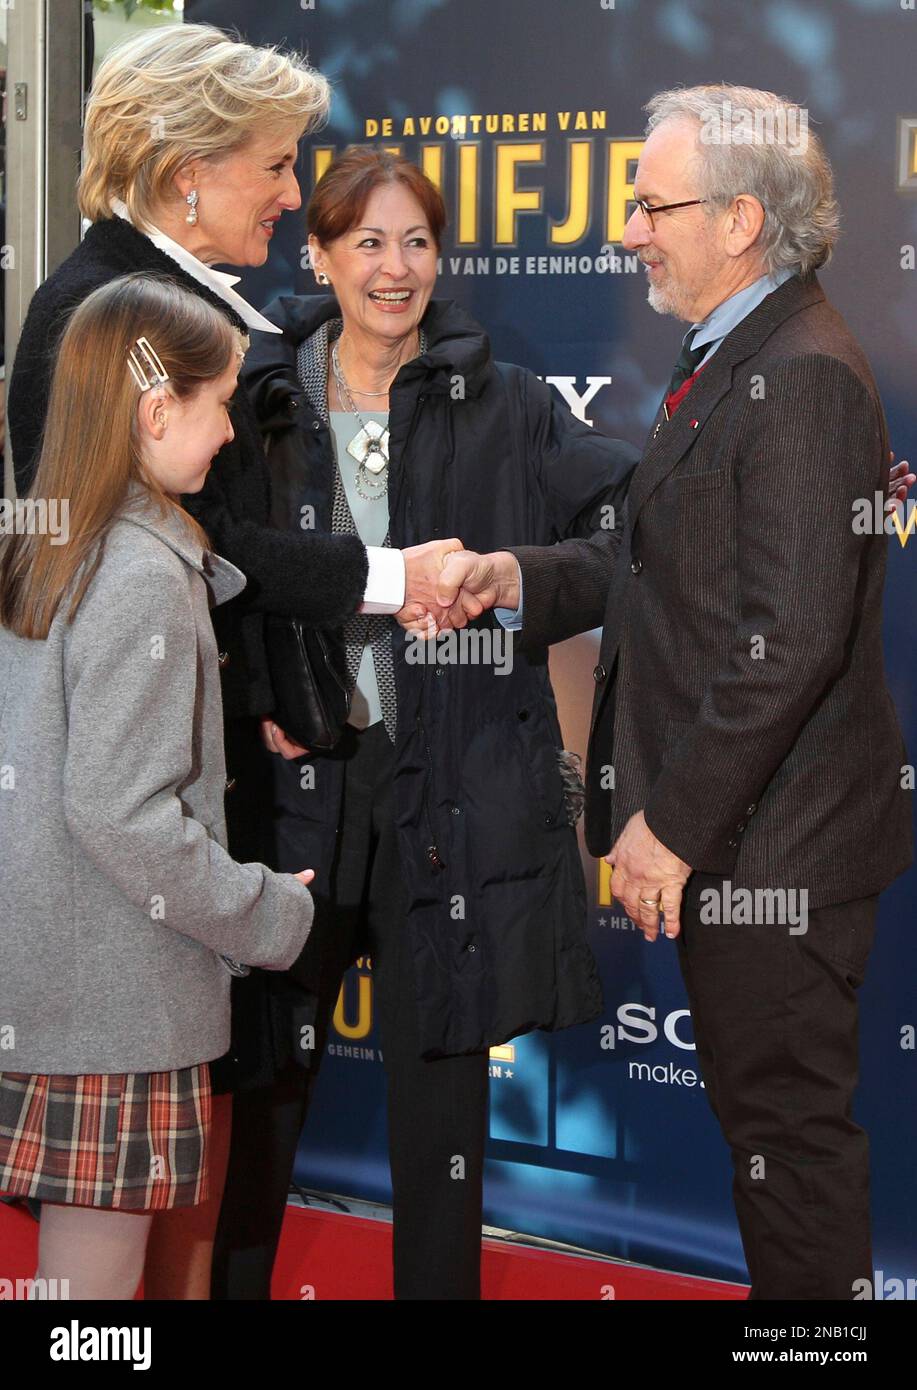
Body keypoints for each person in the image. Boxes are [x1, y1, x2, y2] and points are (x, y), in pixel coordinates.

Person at [437, 85, 913, 1300]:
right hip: (752, 842)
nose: (628, 231)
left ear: (740, 219)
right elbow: (663, 568)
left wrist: (670, 828)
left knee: (788, 1159)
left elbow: (786, 642)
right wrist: (514, 577)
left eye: (653, 206)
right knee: (775, 1152)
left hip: (771, 853)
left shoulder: (797, 374)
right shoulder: (737, 351)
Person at [5, 22, 458, 1297]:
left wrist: (248, 693)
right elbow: (202, 541)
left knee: (173, 1175)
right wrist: (391, 578)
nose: (289, 192)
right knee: (110, 1244)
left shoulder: (164, 305)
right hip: (121, 934)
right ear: (185, 169)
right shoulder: (113, 317)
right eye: (273, 164)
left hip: (159, 879)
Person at [209, 146, 640, 1301]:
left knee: (442, 1120)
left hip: (445, 795)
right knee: (261, 1108)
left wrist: (514, 575)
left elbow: (629, 528)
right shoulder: (256, 403)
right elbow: (206, 571)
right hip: (293, 798)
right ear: (319, 255)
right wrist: (260, 700)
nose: (394, 269)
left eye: (415, 242)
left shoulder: (506, 403)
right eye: (366, 242)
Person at [0, 273, 315, 1301]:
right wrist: (266, 910)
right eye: (218, 402)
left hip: (51, 981)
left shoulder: (44, 543)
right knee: (89, 1306)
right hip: (114, 999)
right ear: (153, 409)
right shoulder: (139, 572)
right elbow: (119, 811)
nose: (228, 432)